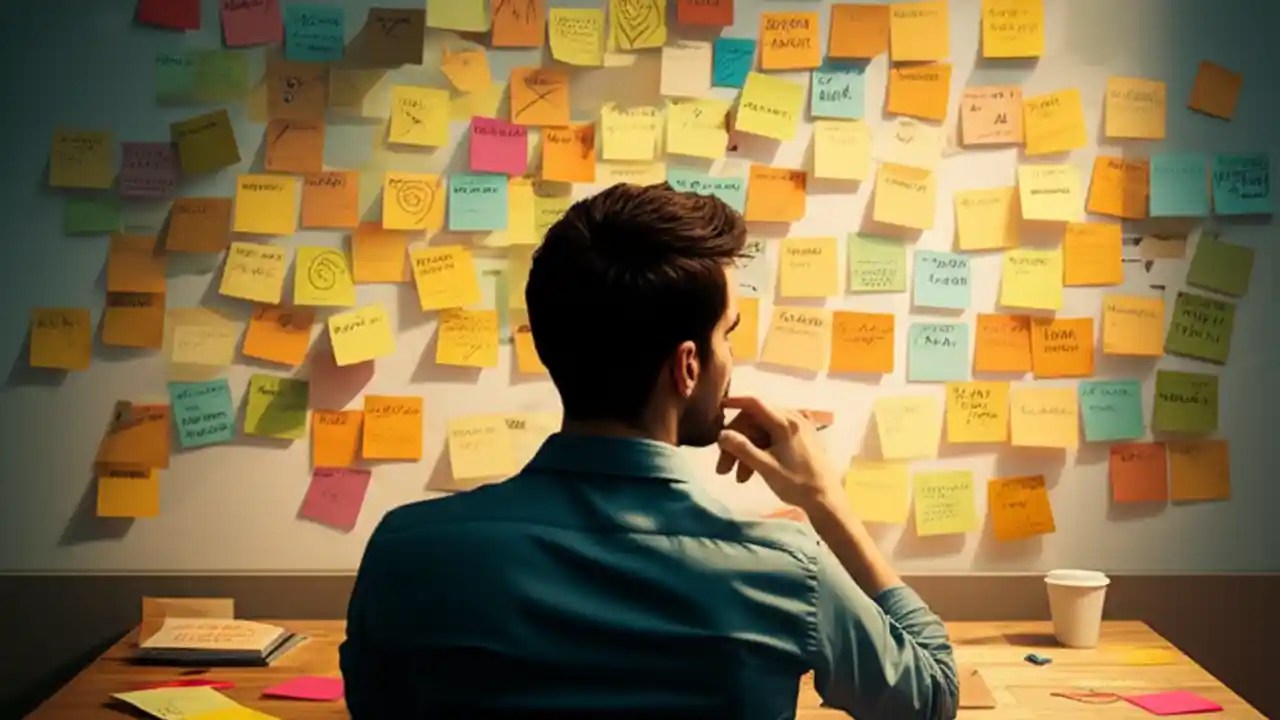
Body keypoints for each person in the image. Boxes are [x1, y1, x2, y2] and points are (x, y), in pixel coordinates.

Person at [340, 183, 959, 719]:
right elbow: (930, 697)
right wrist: (826, 502)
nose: (729, 359)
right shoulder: (786, 570)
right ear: (688, 366)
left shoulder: (405, 551)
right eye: (728, 335)